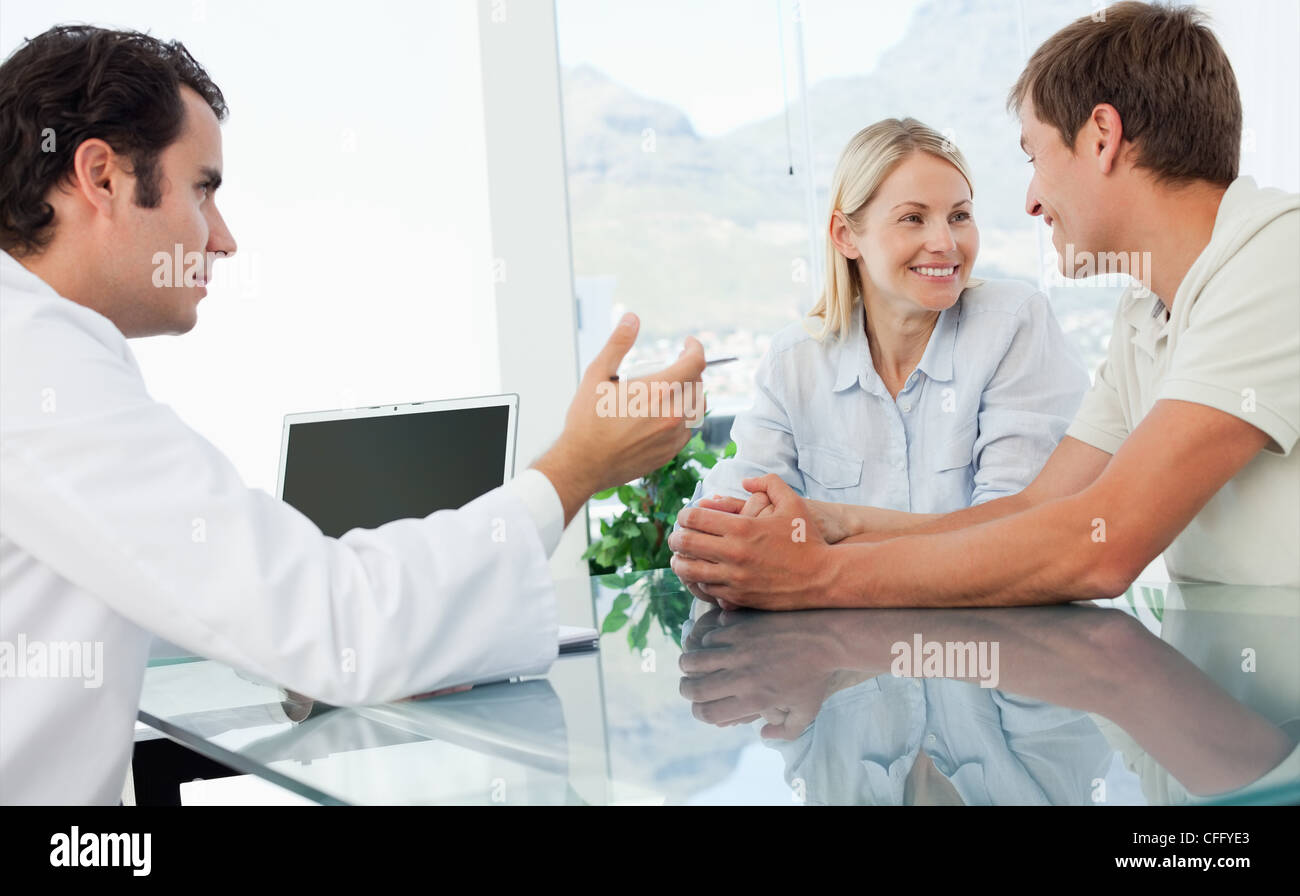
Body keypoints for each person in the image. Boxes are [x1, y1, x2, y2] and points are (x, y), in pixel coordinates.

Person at [0, 25, 704, 804]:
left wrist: (384, 646)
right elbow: (335, 618)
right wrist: (576, 468)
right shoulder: (33, 363)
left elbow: (185, 593)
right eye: (204, 189)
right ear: (100, 174)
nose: (224, 240)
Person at [670, 1, 1299, 608]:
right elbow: (1038, 512)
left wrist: (817, 576)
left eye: (1035, 155)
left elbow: (1101, 547)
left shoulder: (1278, 258)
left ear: (1102, 137)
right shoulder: (1143, 314)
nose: (1030, 200)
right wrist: (834, 523)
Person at [674, 119, 1087, 609]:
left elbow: (1017, 540)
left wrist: (824, 539)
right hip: (842, 665)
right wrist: (721, 542)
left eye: (959, 216)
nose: (945, 242)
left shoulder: (1013, 325)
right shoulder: (795, 362)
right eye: (913, 218)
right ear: (846, 235)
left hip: (996, 660)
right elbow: (725, 527)